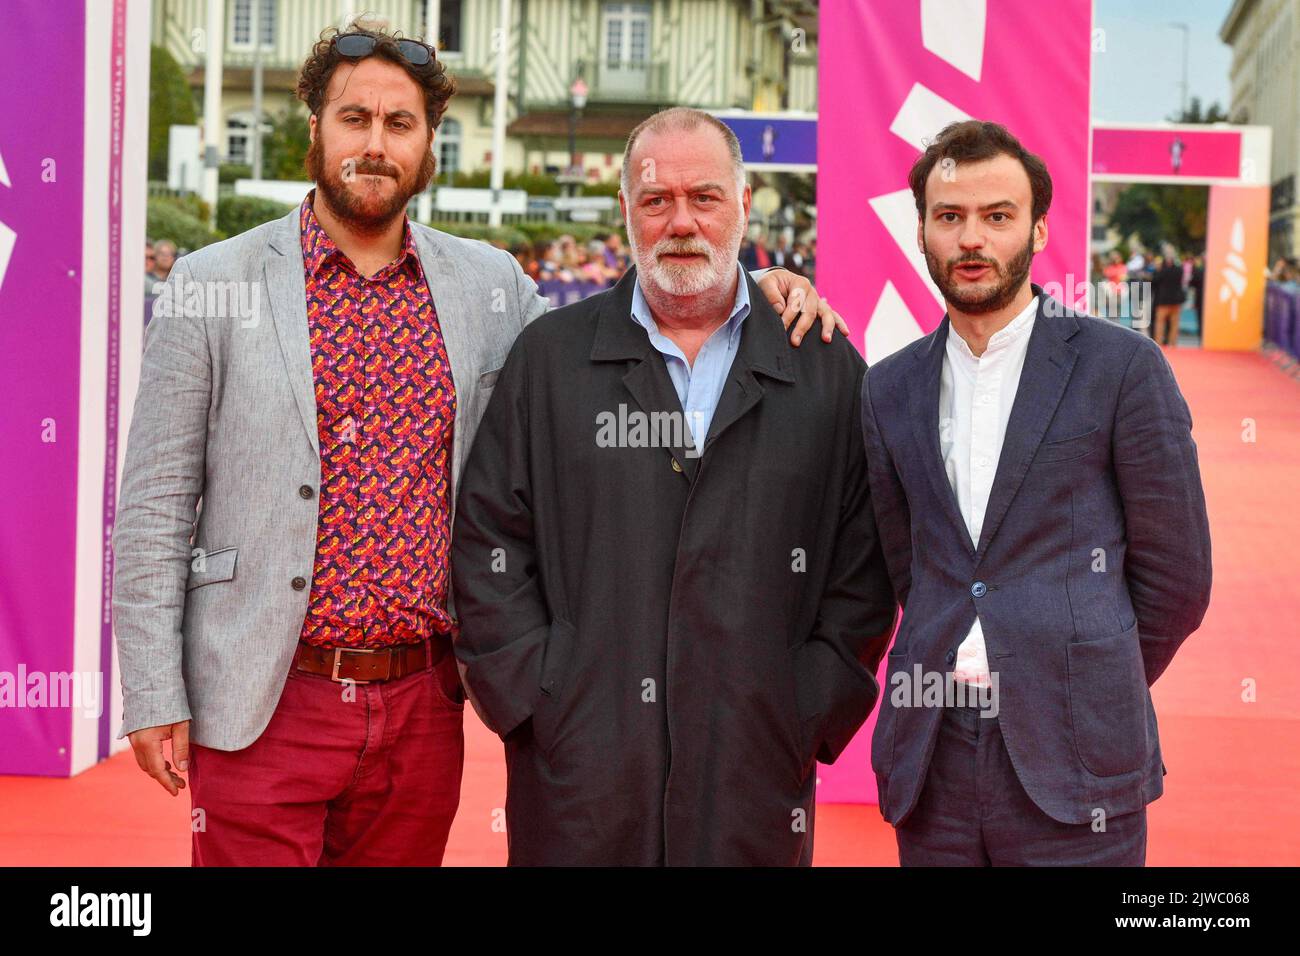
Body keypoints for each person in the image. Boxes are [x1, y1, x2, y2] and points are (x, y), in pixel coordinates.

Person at [112, 24, 843, 869]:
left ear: (428, 148)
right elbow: (155, 506)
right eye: (355, 119)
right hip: (262, 696)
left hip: (422, 706)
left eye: (401, 124)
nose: (375, 145)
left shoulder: (492, 290)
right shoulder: (214, 284)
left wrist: (753, 287)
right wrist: (154, 689)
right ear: (313, 128)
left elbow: (619, 331)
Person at [449, 107, 897, 866]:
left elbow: (865, 563)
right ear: (627, 211)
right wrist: (536, 699)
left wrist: (805, 703)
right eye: (656, 201)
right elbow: (488, 539)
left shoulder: (823, 367)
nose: (680, 221)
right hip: (580, 772)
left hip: (753, 767)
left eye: (705, 197)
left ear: (744, 205)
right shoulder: (550, 360)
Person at [860, 120, 1212, 866]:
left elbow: (1178, 579)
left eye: (998, 215)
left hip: (1078, 759)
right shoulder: (888, 388)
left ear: (1038, 229)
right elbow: (910, 568)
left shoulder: (1121, 368)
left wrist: (1081, 669)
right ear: (921, 230)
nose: (971, 239)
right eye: (949, 217)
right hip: (935, 758)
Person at [1152, 251, 1185, 346]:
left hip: (1163, 301)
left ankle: (1159, 343)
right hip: (1176, 300)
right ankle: (1173, 343)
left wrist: (1157, 270)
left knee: (1160, 324)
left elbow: (1155, 281)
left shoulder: (1162, 270)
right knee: (1174, 324)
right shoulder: (1179, 270)